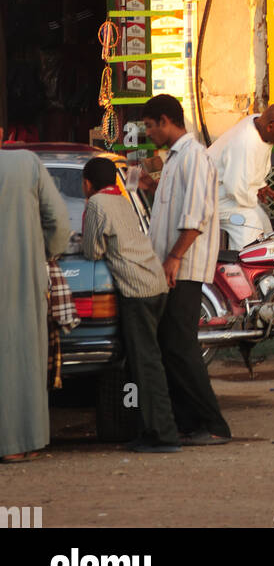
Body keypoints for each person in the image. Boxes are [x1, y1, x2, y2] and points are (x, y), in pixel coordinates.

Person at [140, 95, 231, 445]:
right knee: (170, 345)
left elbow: (196, 217)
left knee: (180, 345)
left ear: (165, 121)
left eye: (150, 126)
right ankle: (187, 422)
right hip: (170, 266)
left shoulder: (194, 157)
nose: (149, 134)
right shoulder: (175, 160)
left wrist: (175, 257)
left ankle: (213, 424)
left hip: (184, 268)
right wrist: (151, 188)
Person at [81, 156, 180, 454]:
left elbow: (92, 251)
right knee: (150, 361)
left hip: (136, 290)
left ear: (87, 183)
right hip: (155, 282)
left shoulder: (96, 204)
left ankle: (162, 435)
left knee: (145, 364)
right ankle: (152, 428)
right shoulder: (123, 200)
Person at [0, 140, 70, 461]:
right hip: (22, 276)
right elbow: (58, 222)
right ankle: (23, 442)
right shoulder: (27, 164)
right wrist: (46, 252)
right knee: (23, 357)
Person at [208, 104, 274, 249]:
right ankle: (242, 269)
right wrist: (252, 194)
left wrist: (259, 184)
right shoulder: (244, 141)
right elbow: (236, 189)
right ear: (270, 127)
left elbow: (252, 164)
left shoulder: (259, 123)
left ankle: (264, 270)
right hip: (210, 196)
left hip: (226, 193)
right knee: (250, 224)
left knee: (265, 227)